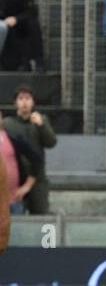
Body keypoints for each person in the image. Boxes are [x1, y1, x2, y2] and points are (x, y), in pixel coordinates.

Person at [2, 86, 57, 215]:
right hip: (16, 181)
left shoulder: (41, 120)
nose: (24, 102)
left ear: (33, 102)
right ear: (15, 103)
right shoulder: (7, 124)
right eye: (20, 99)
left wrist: (41, 125)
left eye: (28, 98)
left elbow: (51, 142)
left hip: (37, 179)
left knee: (41, 215)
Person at [0, 0, 44, 73]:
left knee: (32, 25)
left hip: (19, 24)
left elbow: (31, 12)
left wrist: (16, 19)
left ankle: (34, 62)